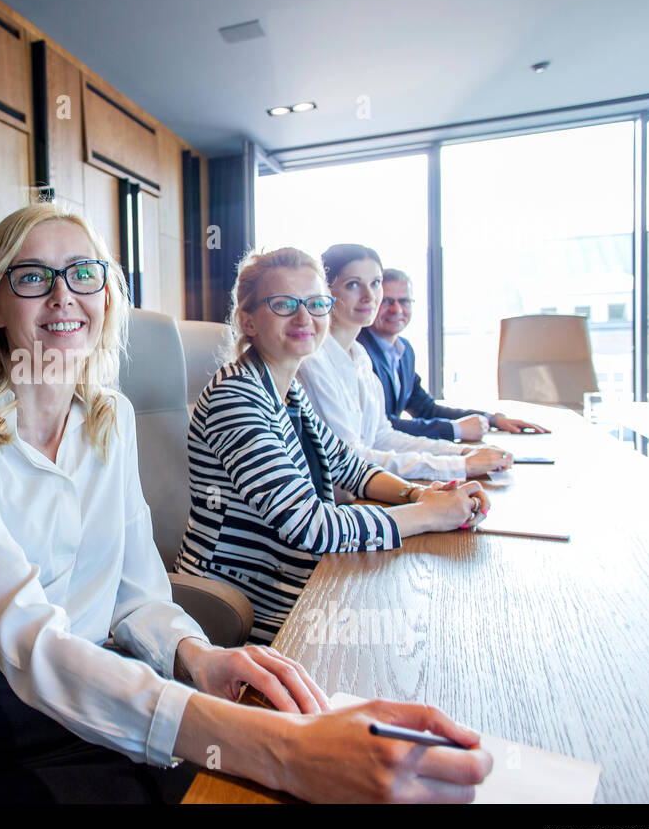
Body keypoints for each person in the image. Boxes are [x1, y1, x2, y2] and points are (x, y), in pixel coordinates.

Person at [0, 205, 492, 804]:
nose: (63, 296)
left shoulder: (108, 419)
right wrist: (276, 749)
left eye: (84, 273)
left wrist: (198, 655)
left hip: (96, 693)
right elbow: (26, 638)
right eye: (32, 278)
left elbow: (138, 594)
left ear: (107, 296)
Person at [175, 245, 493, 644]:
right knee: (410, 639)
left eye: (316, 303)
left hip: (298, 580)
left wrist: (421, 492)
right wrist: (427, 515)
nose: (304, 317)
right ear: (249, 321)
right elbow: (308, 525)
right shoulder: (235, 398)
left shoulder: (287, 391)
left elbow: (348, 466)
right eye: (284, 304)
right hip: (248, 600)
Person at [298, 245, 513, 484]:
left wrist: (460, 452)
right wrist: (458, 465)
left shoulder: (359, 356)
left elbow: (382, 436)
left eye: (375, 283)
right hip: (342, 500)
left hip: (367, 490)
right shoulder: (313, 362)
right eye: (353, 284)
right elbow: (349, 459)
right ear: (324, 291)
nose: (369, 296)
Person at [360, 268, 549, 439]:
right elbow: (380, 426)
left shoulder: (404, 351)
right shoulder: (359, 352)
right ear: (373, 302)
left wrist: (492, 419)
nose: (397, 309)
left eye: (404, 301)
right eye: (387, 301)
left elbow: (426, 409)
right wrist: (455, 429)